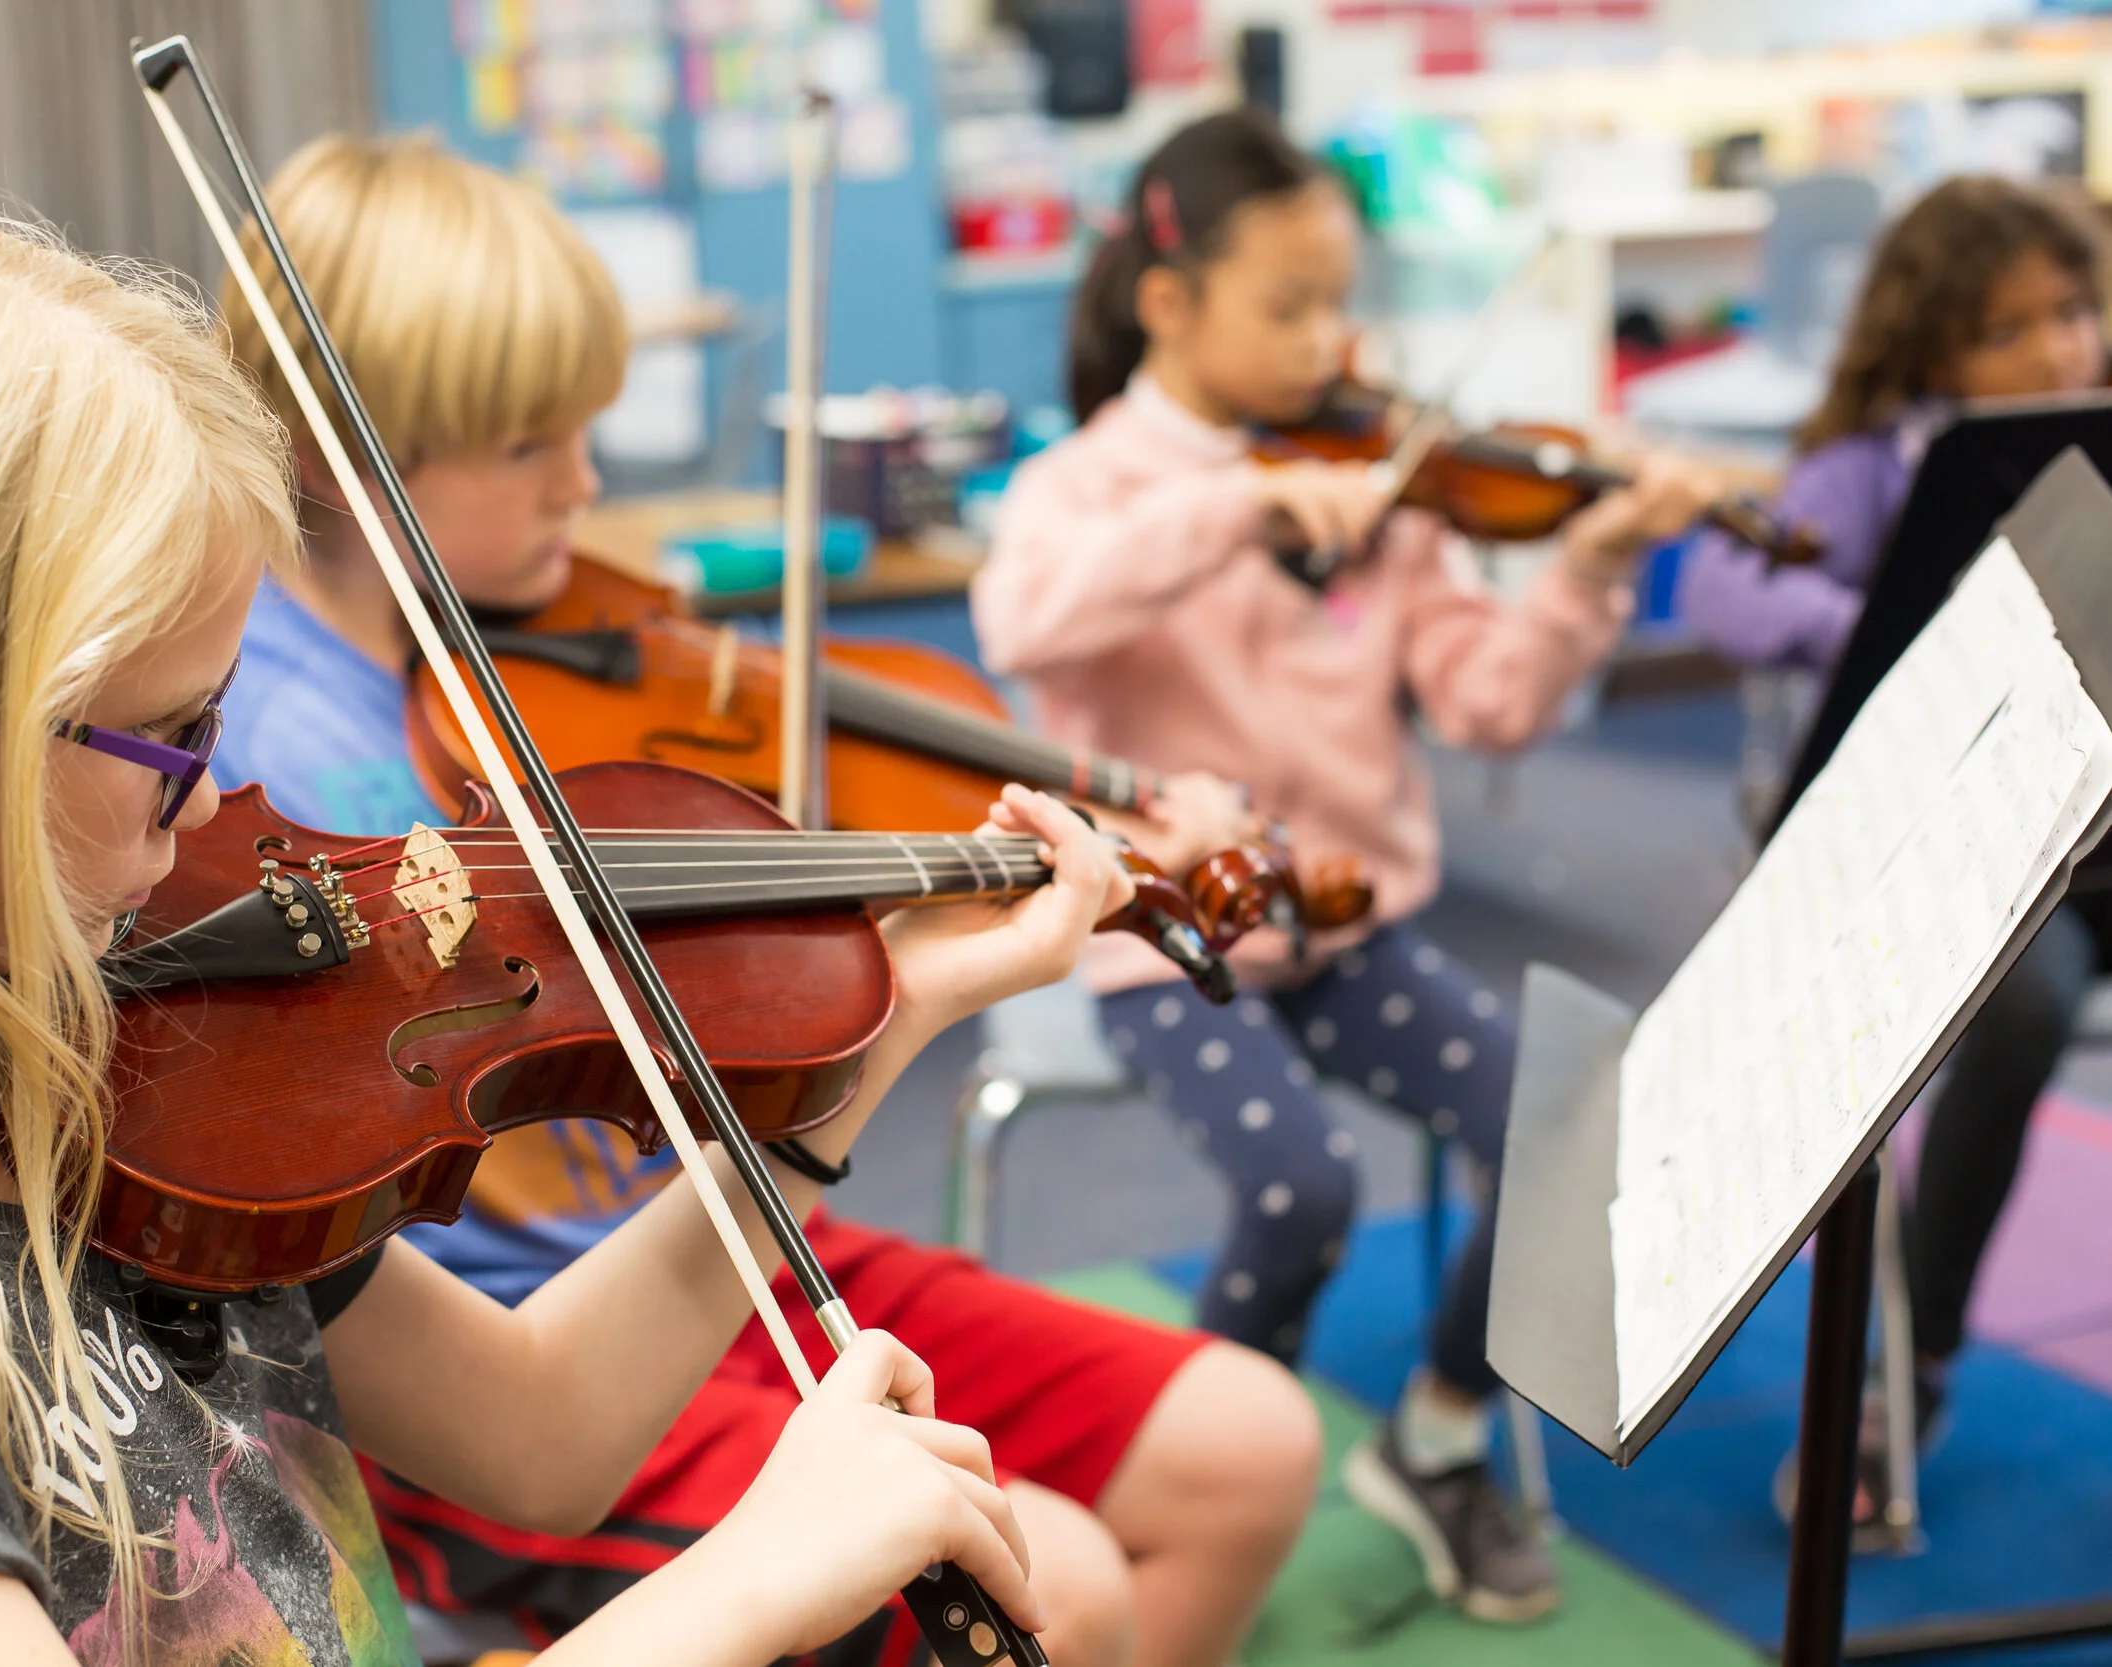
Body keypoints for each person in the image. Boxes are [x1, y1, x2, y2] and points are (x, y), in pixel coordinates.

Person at [0, 200, 1139, 1667]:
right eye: (171, 732)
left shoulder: (106, 1078)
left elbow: (539, 1429)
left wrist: (880, 1019)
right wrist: (744, 1580)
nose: (212, 790)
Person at [210, 133, 1323, 1667]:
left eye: (586, 431)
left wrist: (1028, 856)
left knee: (1248, 1440)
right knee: (1047, 1579)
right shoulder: (263, 759)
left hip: (698, 1237)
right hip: (495, 1338)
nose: (587, 485)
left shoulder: (514, 645)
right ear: (346, 451)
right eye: (531, 446)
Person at [973, 110, 1725, 1624]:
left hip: (1343, 926)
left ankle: (1434, 1439)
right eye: (1288, 306)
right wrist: (1232, 506)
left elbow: (1491, 703)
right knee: (1301, 1184)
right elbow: (1023, 623)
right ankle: (1192, 1484)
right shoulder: (1090, 487)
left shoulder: (1383, 481)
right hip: (1165, 935)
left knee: (1573, 1133)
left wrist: (1585, 570)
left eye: (1340, 302)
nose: (1331, 341)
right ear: (1169, 299)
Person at [1676, 174, 2112, 1538]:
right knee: (2025, 1007)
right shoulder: (1874, 466)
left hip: (2100, 828)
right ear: (1927, 344)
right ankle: (1907, 1374)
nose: (2058, 348)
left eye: (2075, 311)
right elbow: (1721, 589)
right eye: (2007, 329)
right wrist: (1875, 622)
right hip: (1960, 844)